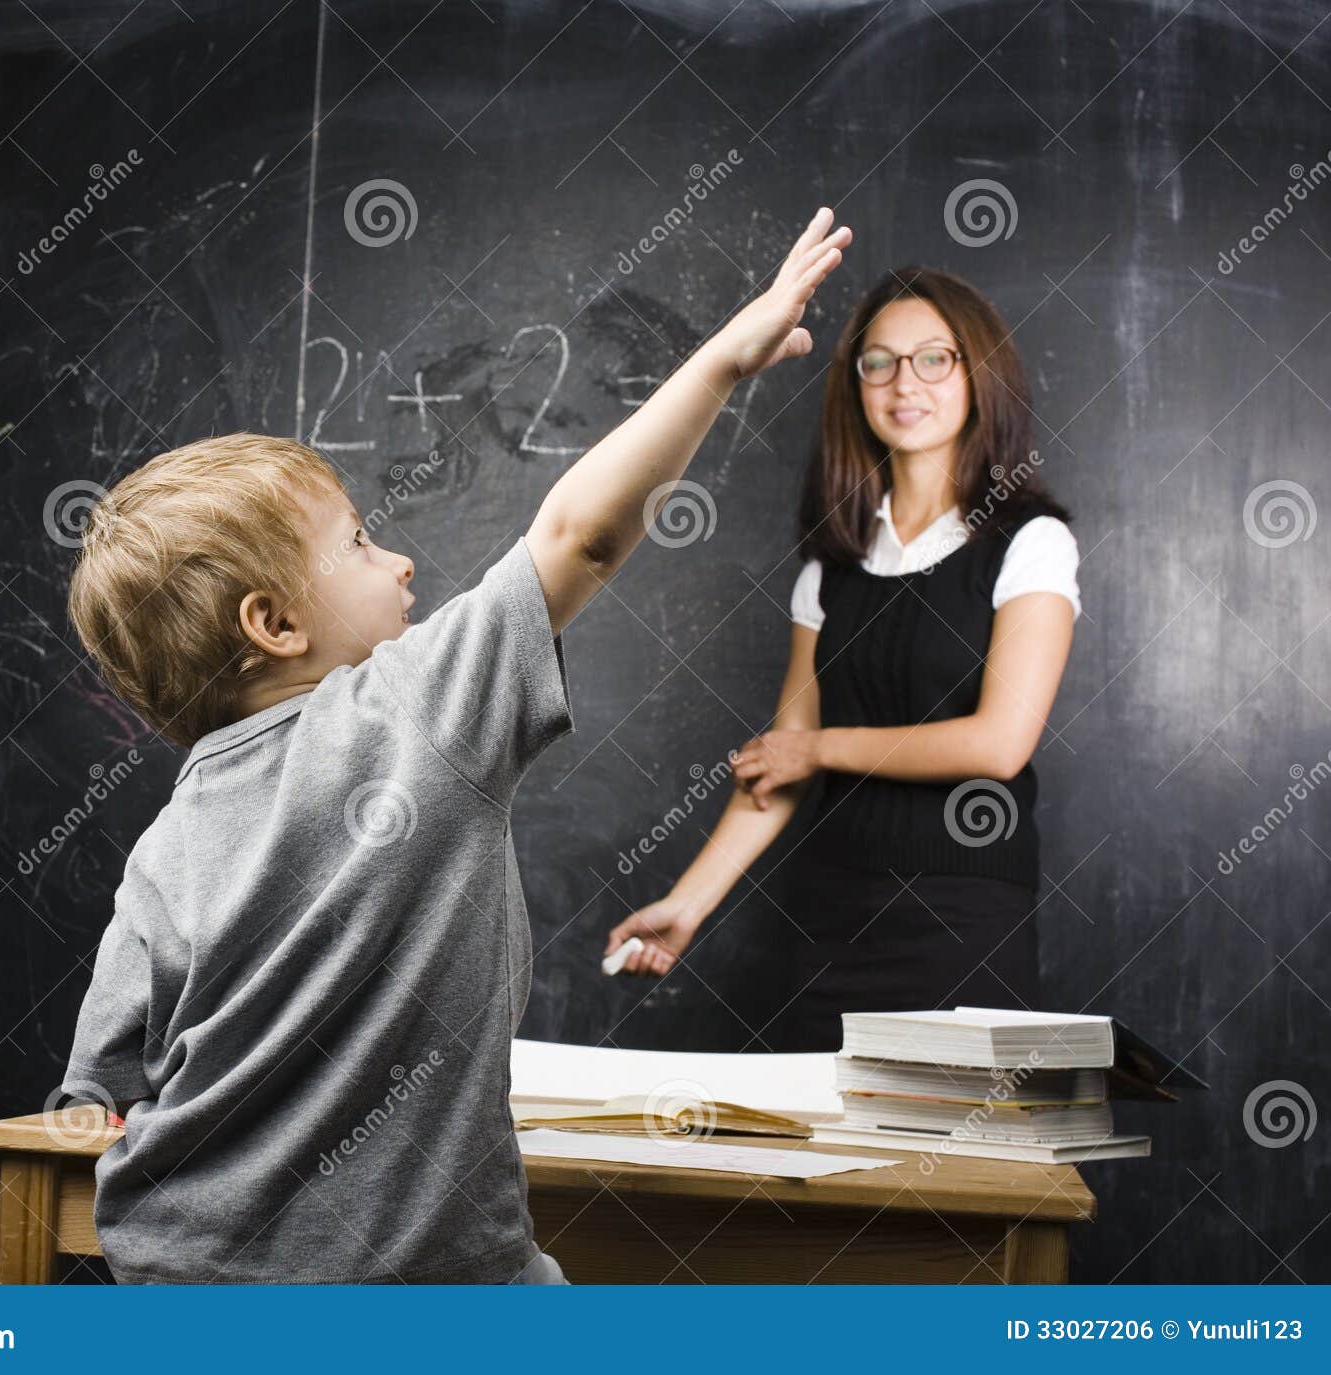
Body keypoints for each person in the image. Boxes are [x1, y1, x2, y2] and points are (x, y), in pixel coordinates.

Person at [57, 210, 852, 1280]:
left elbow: (93, 1096)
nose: (401, 564)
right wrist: (719, 358)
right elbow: (582, 534)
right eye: (359, 542)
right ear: (274, 626)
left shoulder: (165, 847)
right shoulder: (412, 706)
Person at [604, 267, 1080, 1050]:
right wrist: (687, 903)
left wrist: (822, 748)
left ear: (978, 373)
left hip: (963, 924)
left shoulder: (1030, 544)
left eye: (935, 358)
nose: (904, 383)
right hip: (830, 914)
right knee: (820, 1165)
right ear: (855, 383)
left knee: (947, 1167)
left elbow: (999, 744)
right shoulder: (830, 569)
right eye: (879, 361)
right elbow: (777, 770)